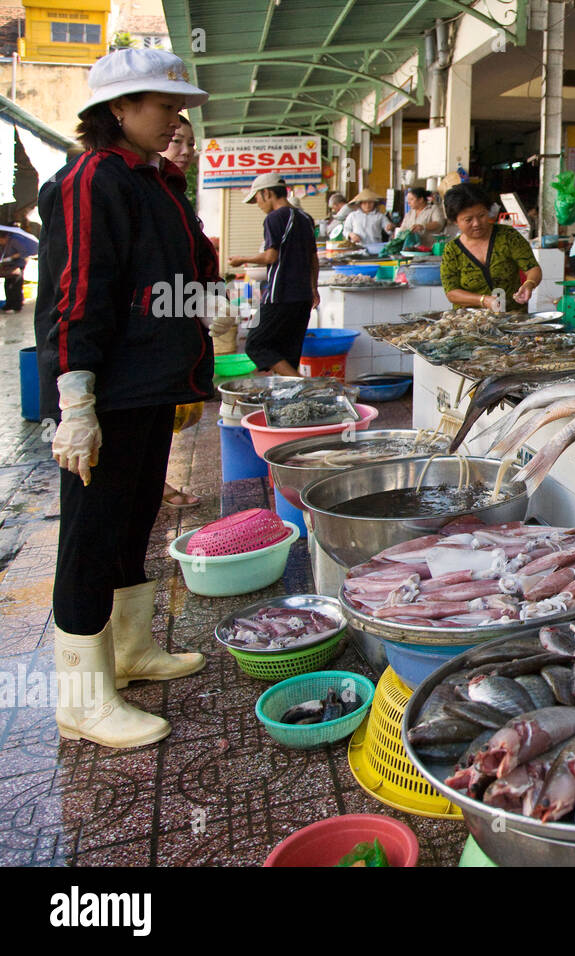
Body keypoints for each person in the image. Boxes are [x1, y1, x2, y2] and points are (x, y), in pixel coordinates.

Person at [35, 47, 214, 749]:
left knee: (133, 518)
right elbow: (77, 295)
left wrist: (189, 373)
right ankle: (81, 699)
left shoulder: (152, 182)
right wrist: (75, 402)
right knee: (88, 537)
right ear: (119, 110)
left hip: (148, 390)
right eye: (165, 107)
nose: (175, 121)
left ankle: (131, 651)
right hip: (105, 397)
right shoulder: (90, 180)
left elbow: (192, 272)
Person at [157, 112, 205, 508]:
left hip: (177, 331)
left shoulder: (173, 193)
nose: (186, 152)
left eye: (191, 144)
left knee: (163, 424)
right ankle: (159, 488)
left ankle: (158, 486)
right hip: (155, 336)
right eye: (178, 142)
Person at [229, 173, 320, 375]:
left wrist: (242, 259)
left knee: (255, 344)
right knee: (288, 352)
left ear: (267, 193)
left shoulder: (274, 218)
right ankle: (292, 396)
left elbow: (271, 257)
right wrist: (313, 288)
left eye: (257, 199)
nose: (258, 204)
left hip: (281, 294)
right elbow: (314, 258)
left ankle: (305, 386)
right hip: (303, 296)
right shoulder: (305, 218)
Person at [440, 182, 542, 313]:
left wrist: (529, 284)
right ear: (455, 221)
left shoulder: (508, 236)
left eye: (482, 215)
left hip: (513, 318)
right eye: (468, 219)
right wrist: (483, 300)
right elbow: (452, 292)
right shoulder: (452, 250)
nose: (476, 223)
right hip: (470, 322)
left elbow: (532, 268)